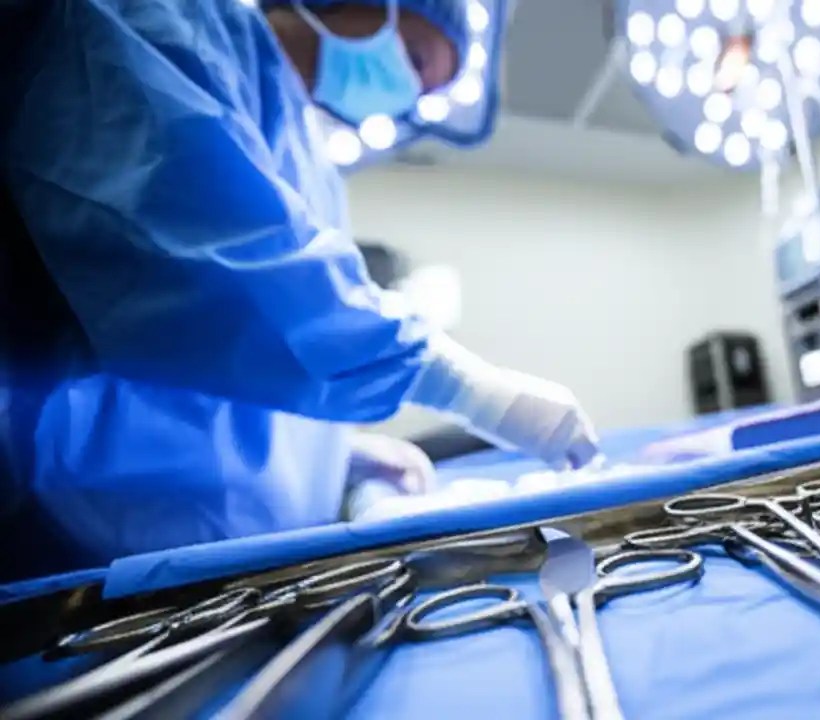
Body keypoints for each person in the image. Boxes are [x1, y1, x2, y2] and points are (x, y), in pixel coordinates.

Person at [0, 0, 600, 582]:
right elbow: (228, 276)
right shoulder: (146, 21)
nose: (405, 90)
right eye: (415, 57)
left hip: (244, 564)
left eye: (422, 90)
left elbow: (259, 369)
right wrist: (465, 387)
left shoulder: (312, 161)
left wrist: (331, 457)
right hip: (85, 547)